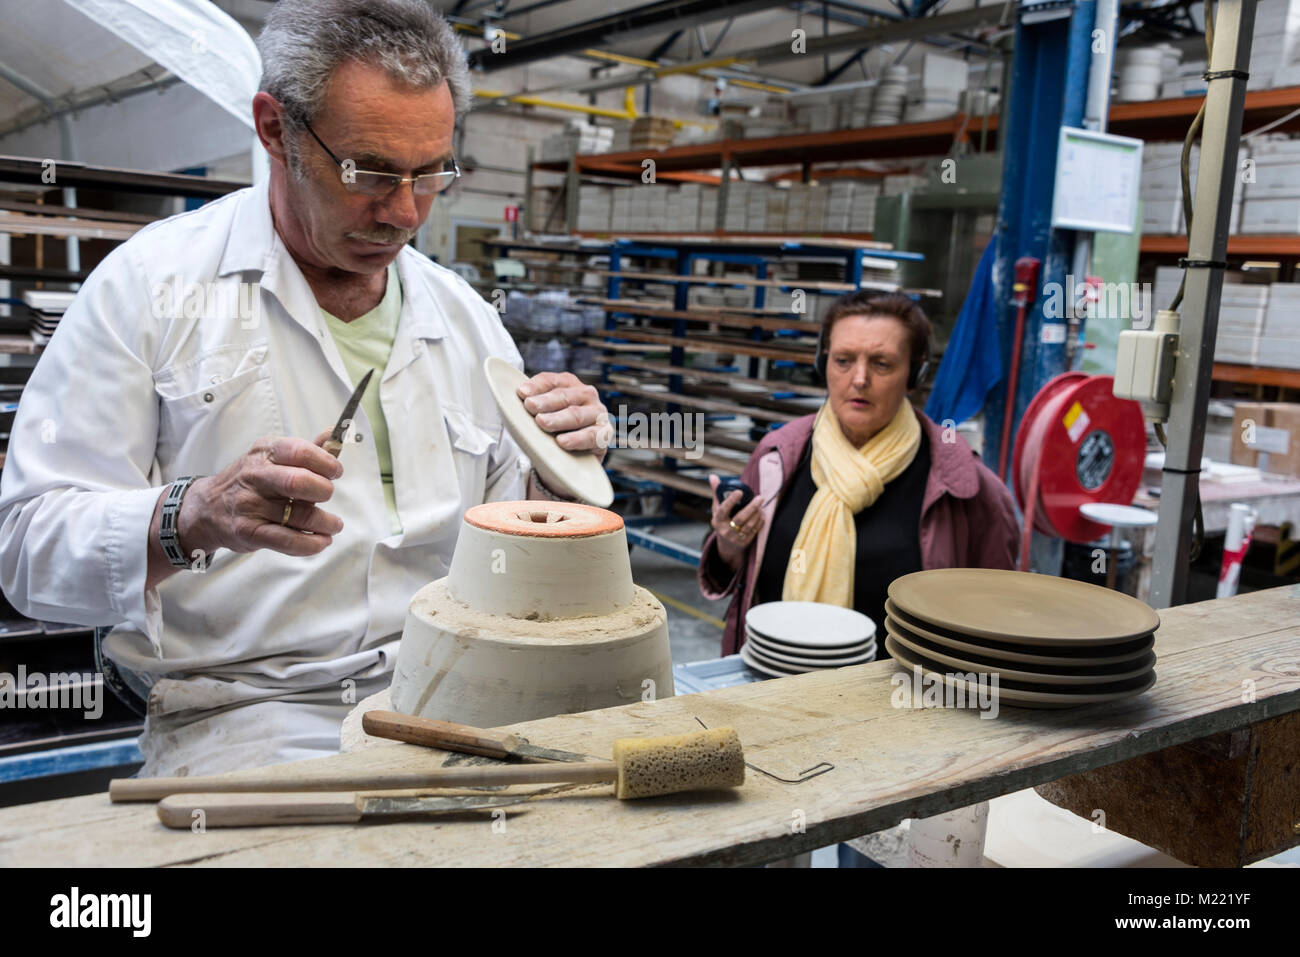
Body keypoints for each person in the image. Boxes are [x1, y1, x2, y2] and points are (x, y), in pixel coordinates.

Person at [0, 0, 610, 777]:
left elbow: (513, 544)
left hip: (457, 695)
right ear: (274, 128)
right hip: (241, 712)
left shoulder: (469, 324)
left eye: (431, 174)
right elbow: (25, 546)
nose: (403, 212)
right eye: (369, 171)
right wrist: (191, 514)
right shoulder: (150, 289)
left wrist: (563, 475)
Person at [698, 291, 1019, 659]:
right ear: (824, 365)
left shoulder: (967, 489)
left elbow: (998, 630)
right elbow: (735, 578)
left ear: (914, 374)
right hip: (772, 689)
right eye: (844, 361)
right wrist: (729, 546)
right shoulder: (777, 457)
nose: (859, 379)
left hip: (903, 707)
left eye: (882, 364)